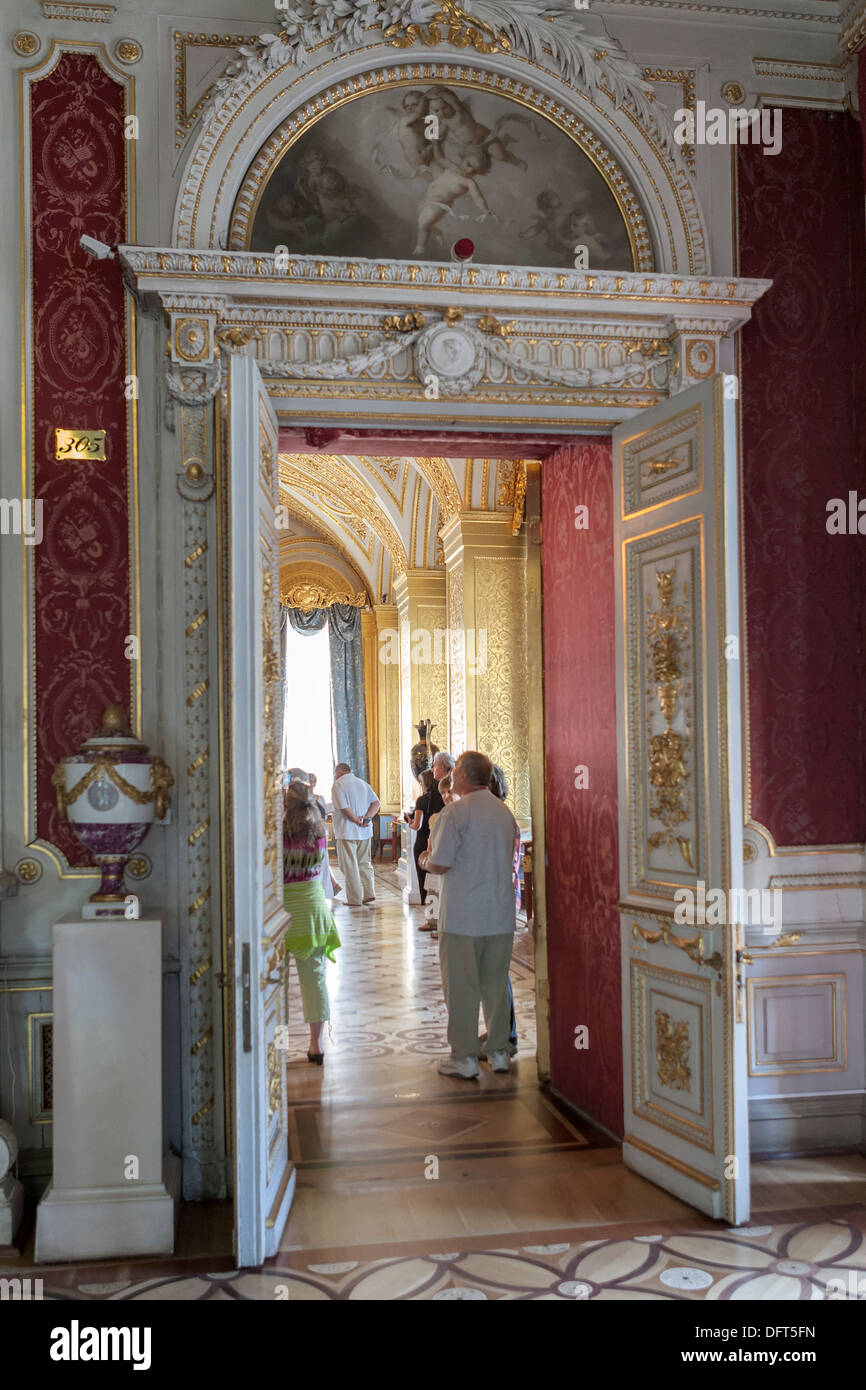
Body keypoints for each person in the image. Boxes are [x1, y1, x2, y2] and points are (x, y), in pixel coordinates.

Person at [420, 750, 518, 1078]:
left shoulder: (457, 814)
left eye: (456, 771)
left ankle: (463, 1057)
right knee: (494, 986)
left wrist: (424, 860)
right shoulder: (504, 814)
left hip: (464, 915)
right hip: (500, 915)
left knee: (462, 987)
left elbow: (440, 862)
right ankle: (500, 1052)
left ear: (462, 776)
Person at [282, 780, 341, 1064]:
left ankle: (276, 1042)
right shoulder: (318, 833)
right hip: (313, 911)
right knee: (314, 981)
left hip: (280, 913)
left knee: (272, 985)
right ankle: (315, 1045)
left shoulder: (276, 835)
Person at [481, 764, 520, 1058]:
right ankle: (500, 1031)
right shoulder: (499, 816)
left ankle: (504, 1038)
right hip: (496, 900)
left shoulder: (495, 819)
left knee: (494, 973)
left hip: (495, 901)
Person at [331, 762, 380, 907]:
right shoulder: (362, 783)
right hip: (365, 830)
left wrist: (356, 820)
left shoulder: (338, 784)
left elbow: (344, 807)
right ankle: (369, 893)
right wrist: (367, 817)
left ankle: (354, 899)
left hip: (347, 831)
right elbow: (376, 803)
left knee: (349, 865)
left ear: (338, 773)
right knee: (365, 862)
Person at [419, 773, 456, 933]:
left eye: (450, 792)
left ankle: (443, 924)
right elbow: (431, 839)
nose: (446, 796)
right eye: (444, 793)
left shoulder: (458, 816)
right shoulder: (436, 817)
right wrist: (428, 853)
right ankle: (432, 921)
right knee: (432, 893)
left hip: (445, 862)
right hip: (434, 858)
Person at [308, 771, 341, 901]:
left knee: (323, 862)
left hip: (320, 833)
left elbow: (324, 815)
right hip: (313, 833)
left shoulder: (319, 798)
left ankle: (327, 889)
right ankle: (329, 887)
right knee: (320, 862)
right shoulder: (316, 799)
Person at [407, 768, 435, 904]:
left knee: (423, 875)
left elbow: (417, 825)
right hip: (437, 840)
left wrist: (409, 823)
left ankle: (427, 905)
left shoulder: (422, 800)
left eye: (421, 782)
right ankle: (436, 906)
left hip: (423, 841)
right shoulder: (441, 798)